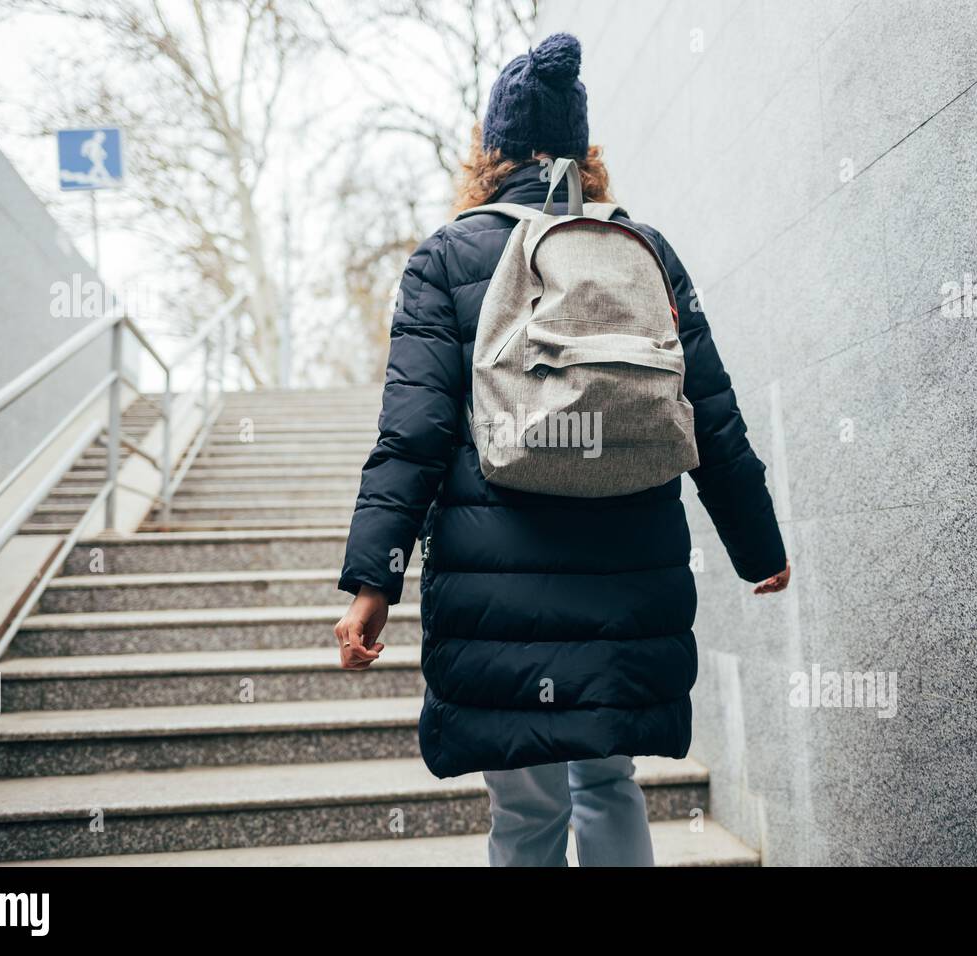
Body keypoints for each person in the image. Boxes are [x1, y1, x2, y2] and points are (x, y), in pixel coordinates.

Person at [334, 32, 790, 867]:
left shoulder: (446, 258)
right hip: (628, 567)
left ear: (490, 151)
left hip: (494, 577)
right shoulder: (642, 249)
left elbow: (414, 433)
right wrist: (757, 543)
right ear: (587, 150)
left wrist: (373, 581)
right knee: (609, 785)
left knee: (525, 806)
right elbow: (710, 407)